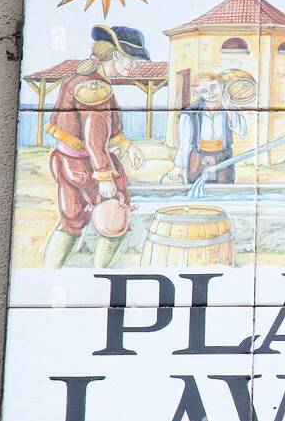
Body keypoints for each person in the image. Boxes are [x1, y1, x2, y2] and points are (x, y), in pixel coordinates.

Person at [41, 24, 149, 269]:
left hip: (65, 161)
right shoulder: (97, 89)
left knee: (71, 222)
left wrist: (125, 143)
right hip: (88, 165)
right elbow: (94, 139)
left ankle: (48, 273)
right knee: (115, 221)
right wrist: (104, 176)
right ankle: (101, 275)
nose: (134, 66)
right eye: (131, 59)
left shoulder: (79, 78)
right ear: (115, 55)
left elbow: (91, 129)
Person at [163, 71, 254, 189]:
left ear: (220, 85)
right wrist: (178, 167)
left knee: (225, 191)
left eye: (213, 87)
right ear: (197, 93)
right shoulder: (190, 114)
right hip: (198, 156)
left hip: (223, 156)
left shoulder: (230, 109)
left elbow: (242, 131)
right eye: (204, 91)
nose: (211, 93)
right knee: (196, 189)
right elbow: (185, 143)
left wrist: (228, 108)